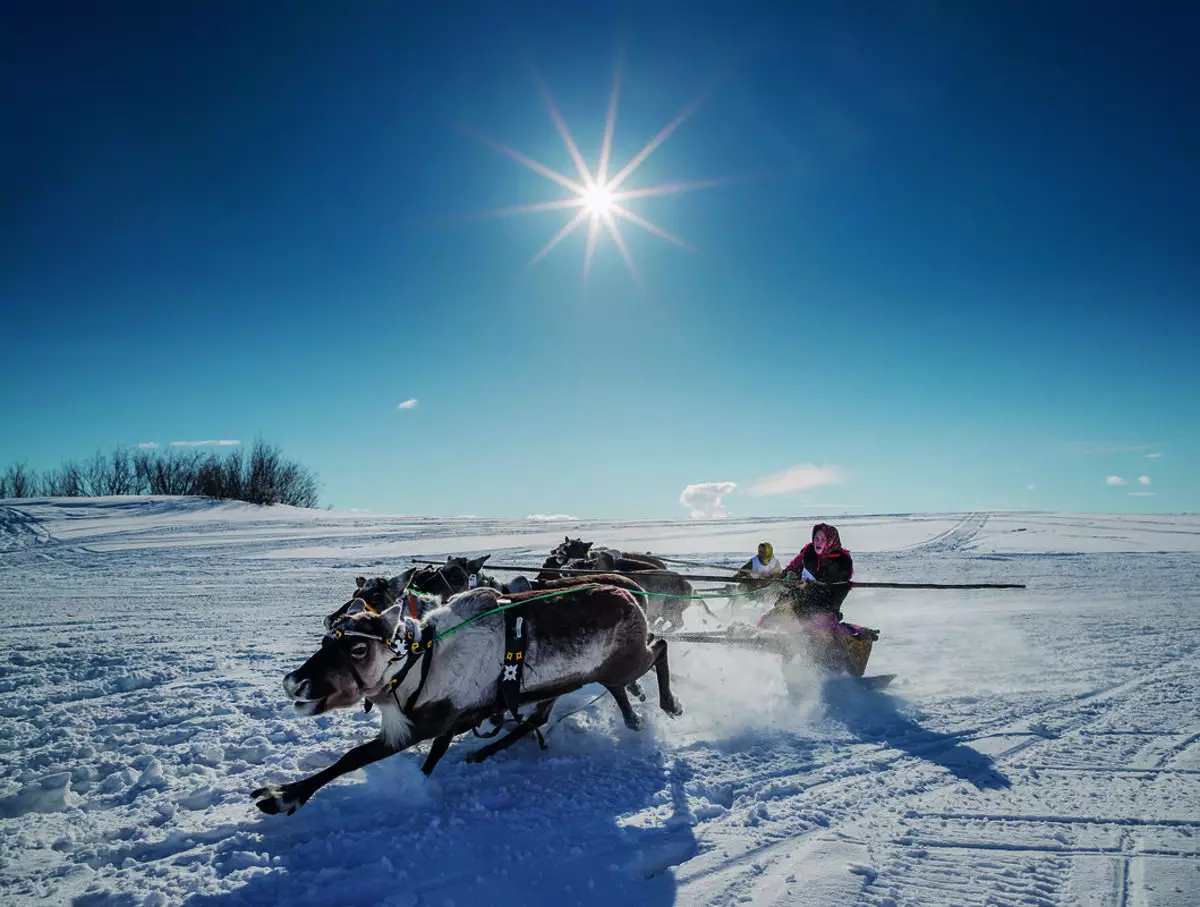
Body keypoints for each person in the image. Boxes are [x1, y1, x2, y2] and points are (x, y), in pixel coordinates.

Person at [764, 523, 854, 624]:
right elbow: (794, 566)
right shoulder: (808, 551)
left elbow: (835, 587)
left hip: (826, 603)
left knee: (814, 624)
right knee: (781, 608)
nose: (818, 542)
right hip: (803, 596)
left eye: (823, 539)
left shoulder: (842, 560)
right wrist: (787, 574)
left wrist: (809, 585)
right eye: (816, 538)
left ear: (830, 540)